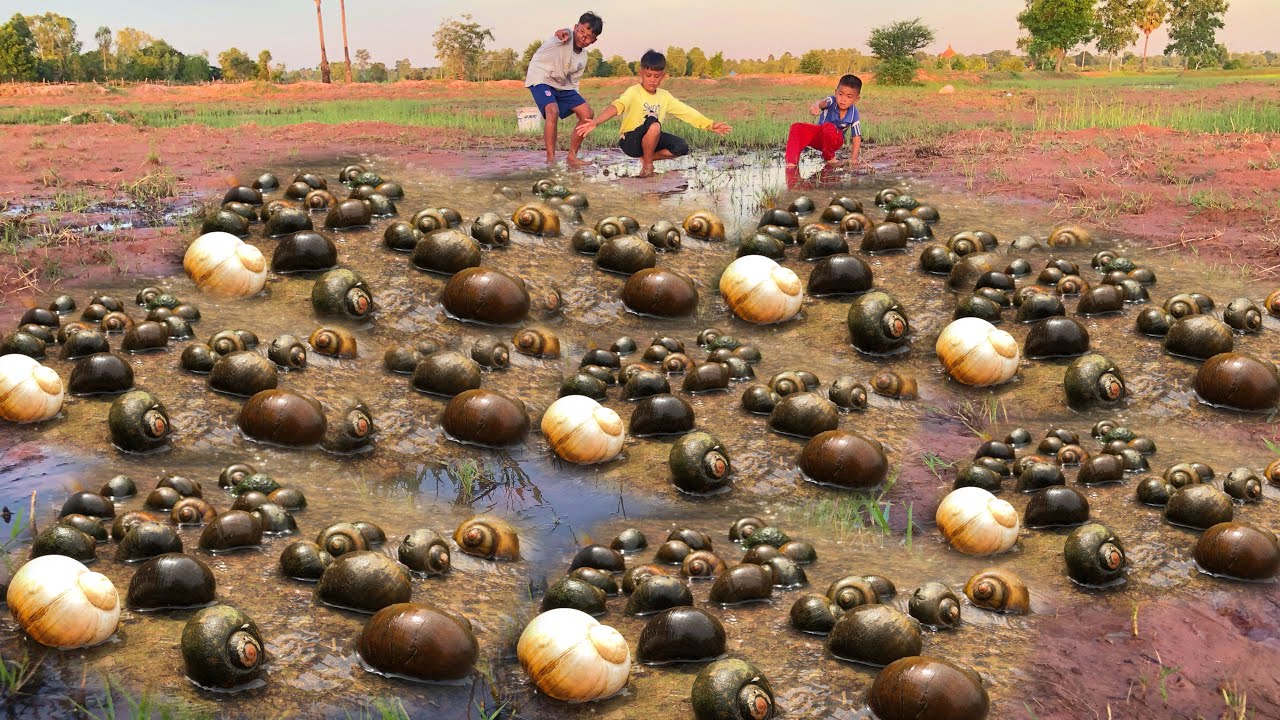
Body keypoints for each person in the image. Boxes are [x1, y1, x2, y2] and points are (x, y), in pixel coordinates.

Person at [575, 50, 731, 177]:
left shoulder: (664, 96)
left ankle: (646, 159)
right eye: (648, 76)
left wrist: (710, 125)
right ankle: (648, 168)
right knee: (653, 122)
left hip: (651, 137)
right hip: (630, 141)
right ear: (641, 73)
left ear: (663, 76)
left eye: (657, 77)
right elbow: (617, 106)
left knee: (681, 146)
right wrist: (596, 122)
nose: (652, 80)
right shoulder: (633, 92)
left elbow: (686, 112)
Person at [525, 12, 604, 168]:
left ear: (594, 40)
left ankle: (572, 156)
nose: (583, 37)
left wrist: (577, 103)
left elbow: (574, 83)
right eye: (581, 32)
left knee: (587, 114)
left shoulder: (583, 57)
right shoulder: (564, 38)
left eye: (589, 37)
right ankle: (550, 159)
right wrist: (564, 33)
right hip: (541, 77)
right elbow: (563, 33)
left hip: (562, 84)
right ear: (576, 27)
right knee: (552, 110)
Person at [784, 74, 862, 169]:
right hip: (820, 138)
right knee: (796, 127)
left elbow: (856, 137)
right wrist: (816, 105)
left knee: (829, 127)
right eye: (840, 94)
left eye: (849, 96)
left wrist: (853, 158)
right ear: (835, 92)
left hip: (834, 141)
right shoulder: (831, 101)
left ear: (856, 99)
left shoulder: (854, 113)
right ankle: (791, 164)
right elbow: (822, 102)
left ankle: (830, 158)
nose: (843, 99)